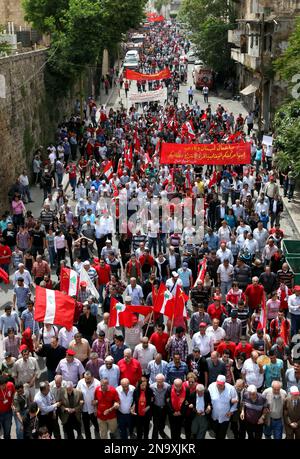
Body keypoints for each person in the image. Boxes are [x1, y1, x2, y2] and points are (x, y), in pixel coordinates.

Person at [208, 374, 237, 439]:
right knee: (215, 431)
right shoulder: (211, 386)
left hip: (225, 417)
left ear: (225, 383)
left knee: (222, 434)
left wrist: (231, 411)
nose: (219, 386)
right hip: (214, 416)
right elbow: (207, 398)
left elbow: (235, 401)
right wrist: (208, 405)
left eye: (221, 384)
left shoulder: (231, 388)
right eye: (218, 384)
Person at [150, 373, 170, 439]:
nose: (159, 384)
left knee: (162, 422)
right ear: (156, 380)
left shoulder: (168, 387)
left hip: (164, 407)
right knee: (155, 423)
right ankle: (154, 436)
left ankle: (161, 431)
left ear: (164, 380)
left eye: (161, 382)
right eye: (158, 382)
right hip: (155, 407)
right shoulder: (152, 387)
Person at [0, 375, 15, 439]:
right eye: (1, 385)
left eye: (4, 385)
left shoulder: (10, 385)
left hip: (8, 412)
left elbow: (14, 394)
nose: (3, 387)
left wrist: (13, 403)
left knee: (7, 432)